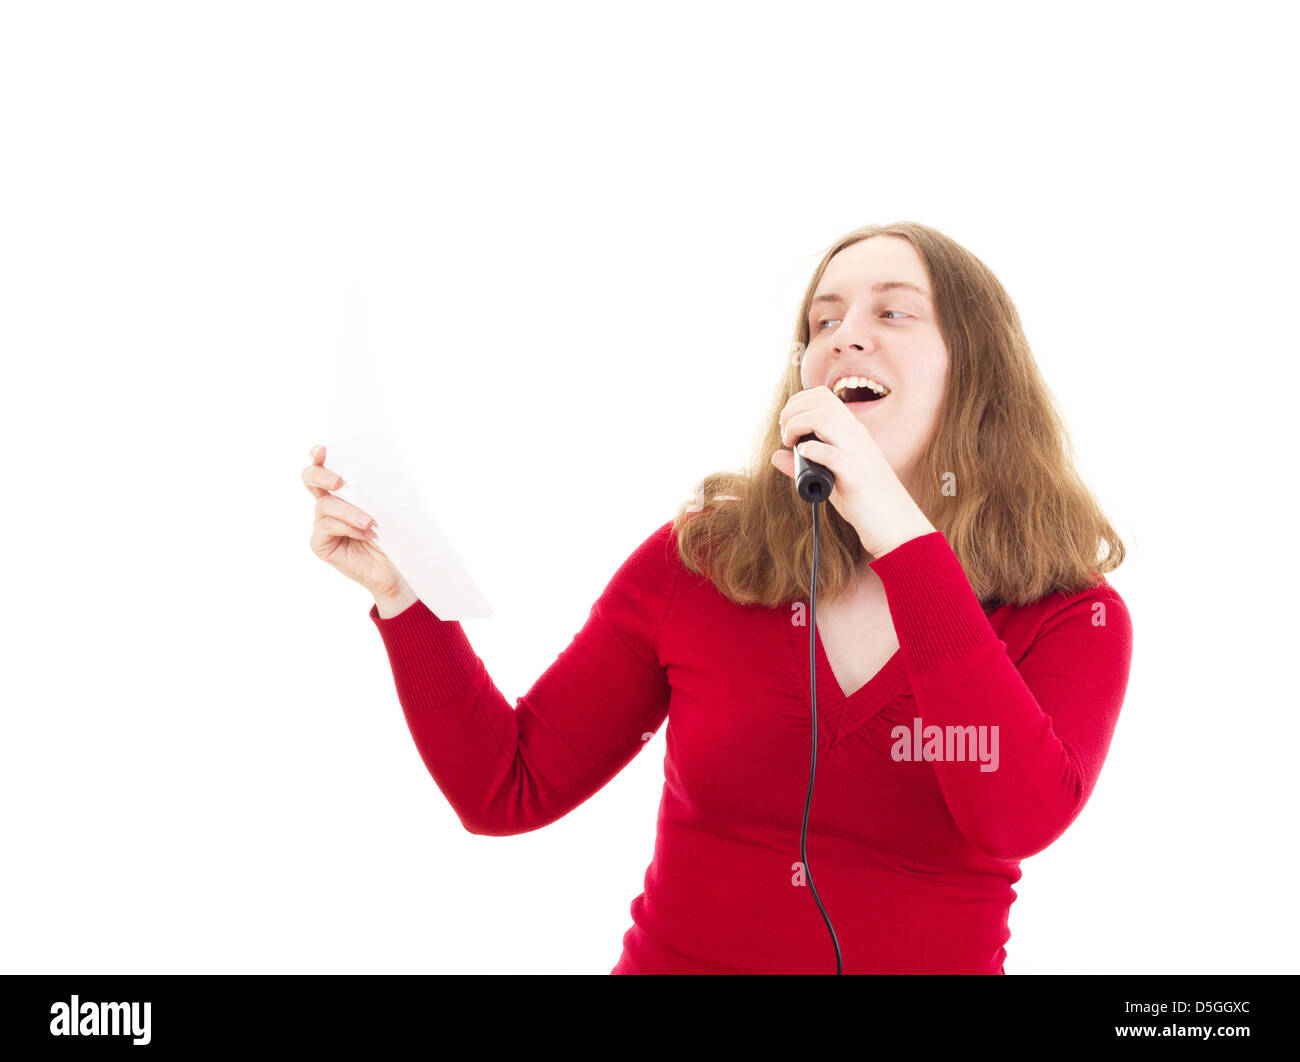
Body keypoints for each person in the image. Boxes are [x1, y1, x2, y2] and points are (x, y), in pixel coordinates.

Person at [301, 221, 1133, 974]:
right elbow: (505, 788)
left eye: (894, 313)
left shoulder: (1069, 615)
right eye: (824, 320)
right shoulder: (704, 561)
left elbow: (1012, 815)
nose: (845, 337)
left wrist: (904, 542)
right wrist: (402, 596)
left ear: (977, 370)